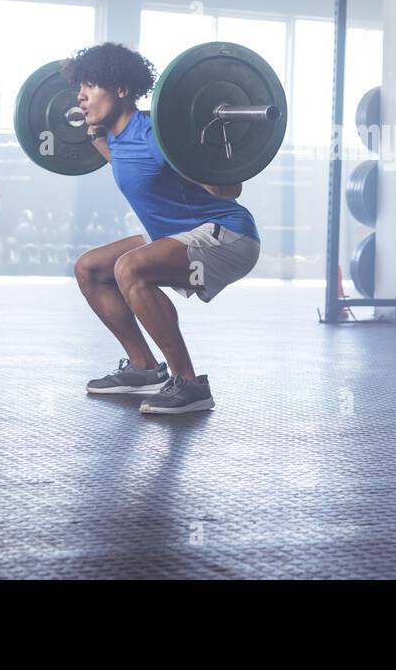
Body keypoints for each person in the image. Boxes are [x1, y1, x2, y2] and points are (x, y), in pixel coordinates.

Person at [68, 43, 261, 415]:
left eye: (90, 85)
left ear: (122, 90)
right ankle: (142, 368)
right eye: (80, 87)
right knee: (89, 268)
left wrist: (197, 150)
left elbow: (228, 189)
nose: (81, 96)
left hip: (228, 236)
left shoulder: (157, 134)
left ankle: (189, 384)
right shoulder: (117, 139)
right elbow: (123, 163)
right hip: (176, 233)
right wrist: (94, 134)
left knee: (130, 267)